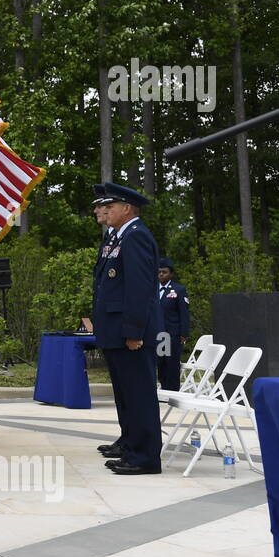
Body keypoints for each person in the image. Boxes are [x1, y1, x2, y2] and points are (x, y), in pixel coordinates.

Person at [93, 183, 163, 475]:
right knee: (125, 393)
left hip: (131, 331)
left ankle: (145, 456)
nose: (105, 210)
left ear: (128, 208)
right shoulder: (118, 237)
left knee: (139, 394)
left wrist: (134, 331)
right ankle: (131, 444)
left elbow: (140, 289)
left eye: (111, 206)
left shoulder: (136, 237)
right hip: (115, 327)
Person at [156, 258, 191, 391]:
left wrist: (184, 333)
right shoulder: (153, 290)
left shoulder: (178, 290)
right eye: (159, 272)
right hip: (159, 334)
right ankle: (165, 389)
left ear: (171, 274)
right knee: (161, 363)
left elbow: (184, 313)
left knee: (171, 364)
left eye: (164, 272)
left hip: (172, 334)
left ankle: (173, 392)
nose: (161, 275)